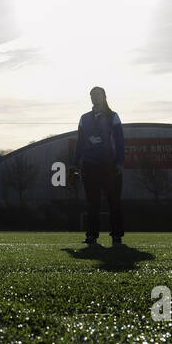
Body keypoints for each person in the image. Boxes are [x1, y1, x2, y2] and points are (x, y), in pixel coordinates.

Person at [72, 86, 125, 247]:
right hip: (90, 166)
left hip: (110, 166)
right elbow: (80, 143)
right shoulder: (84, 118)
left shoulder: (113, 117)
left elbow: (120, 141)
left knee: (114, 202)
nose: (94, 97)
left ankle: (116, 237)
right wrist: (74, 164)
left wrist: (120, 162)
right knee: (92, 203)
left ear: (104, 96)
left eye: (98, 95)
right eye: (92, 95)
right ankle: (92, 237)